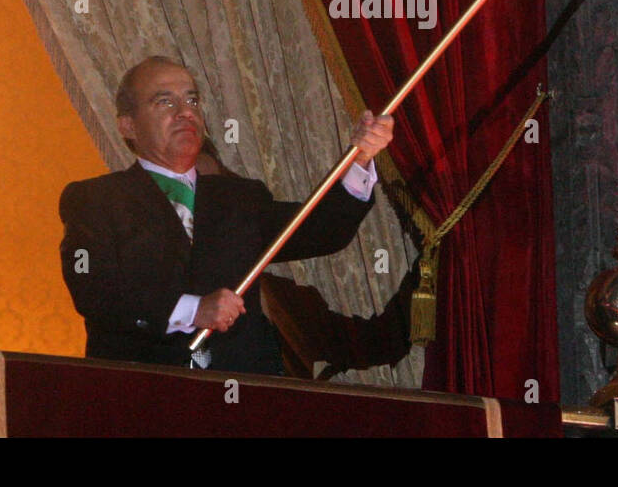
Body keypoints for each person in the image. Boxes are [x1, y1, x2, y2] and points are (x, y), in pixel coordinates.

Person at [58, 56, 394, 375]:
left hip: (242, 394)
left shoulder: (240, 198)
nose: (184, 112)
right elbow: (94, 290)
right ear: (127, 125)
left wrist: (360, 160)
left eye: (192, 101)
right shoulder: (94, 199)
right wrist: (193, 309)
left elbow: (324, 230)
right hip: (145, 396)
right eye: (164, 102)